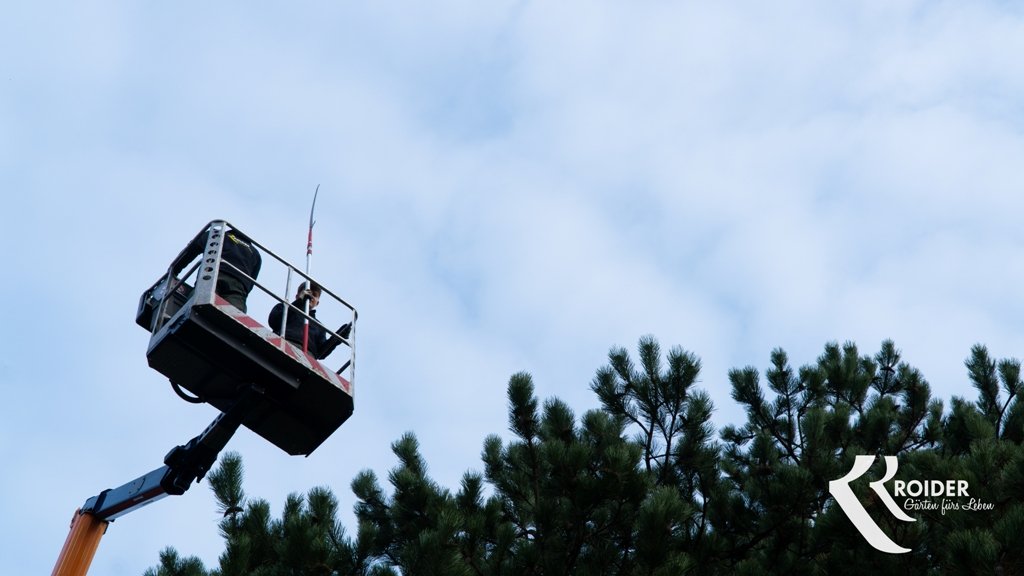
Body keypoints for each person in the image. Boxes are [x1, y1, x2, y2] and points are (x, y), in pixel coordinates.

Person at [268, 281, 351, 360]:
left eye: (314, 295)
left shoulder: (319, 326)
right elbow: (274, 321)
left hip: (308, 356)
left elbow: (321, 352)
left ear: (317, 303)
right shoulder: (284, 307)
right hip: (284, 343)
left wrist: (337, 338)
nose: (311, 296)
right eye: (308, 292)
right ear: (297, 296)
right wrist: (299, 301)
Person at [217, 228, 262, 313]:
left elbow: (191, 250)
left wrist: (182, 264)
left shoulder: (219, 234)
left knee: (200, 299)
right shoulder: (255, 252)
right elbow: (252, 280)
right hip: (238, 287)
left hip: (215, 274)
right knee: (234, 316)